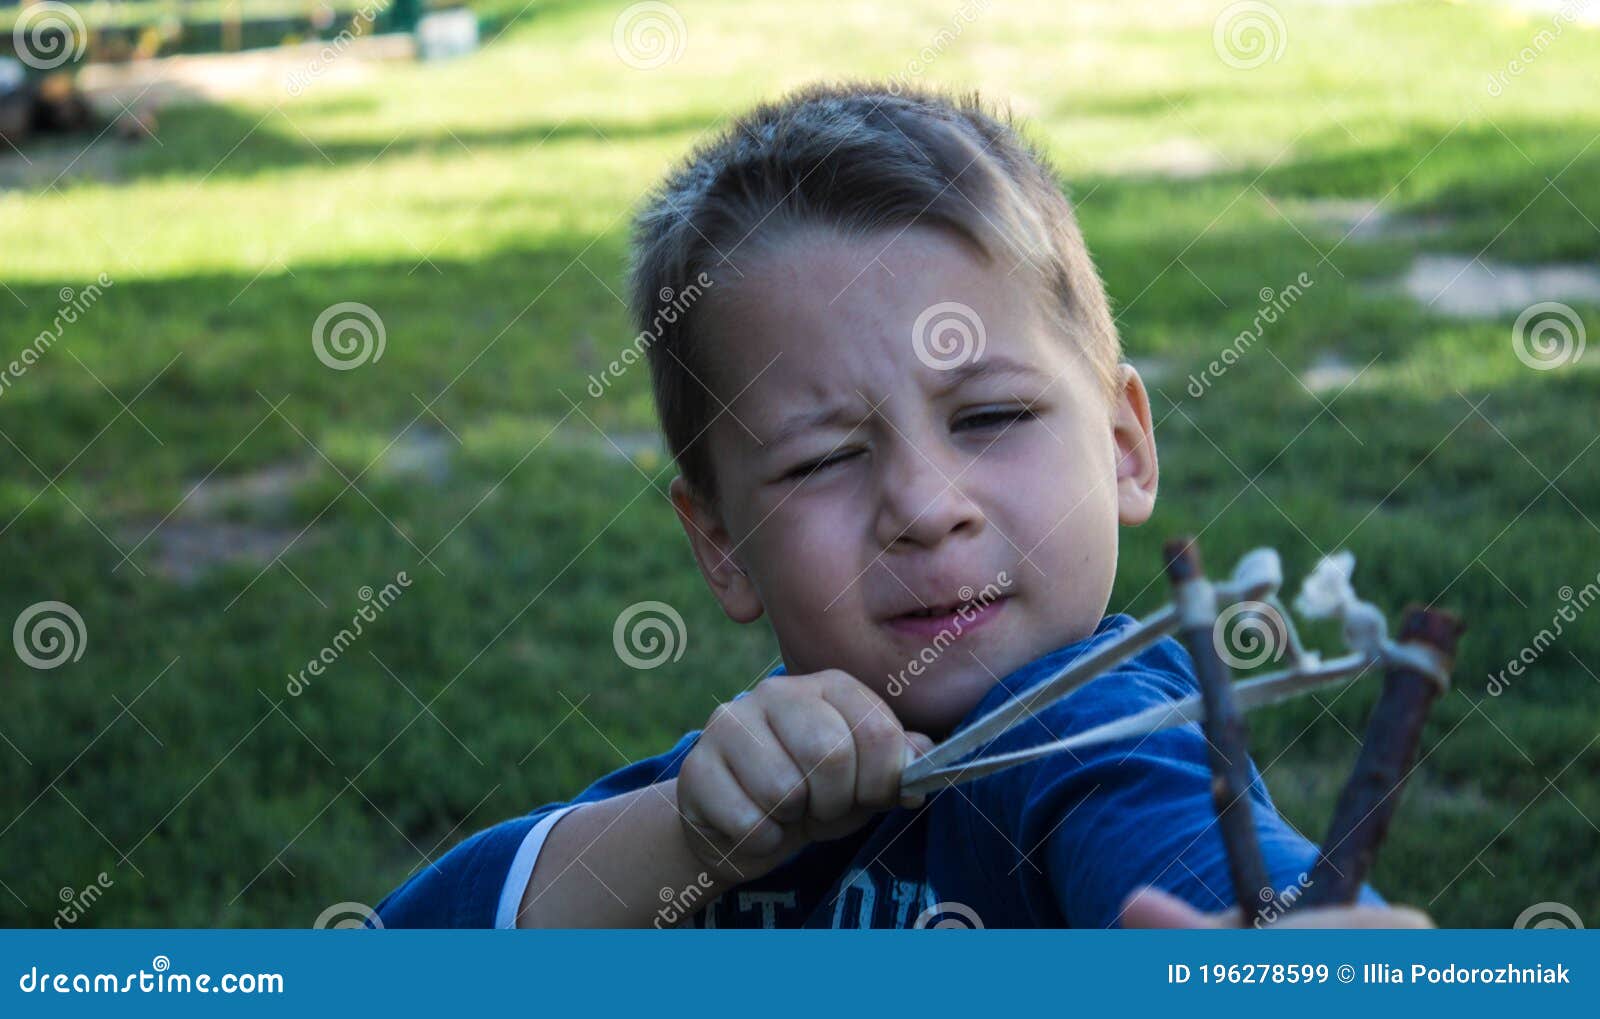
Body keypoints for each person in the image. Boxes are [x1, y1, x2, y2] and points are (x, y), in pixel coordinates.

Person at [376, 81, 1433, 930]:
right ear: (721, 544)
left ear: (1122, 447)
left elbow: (1191, 862)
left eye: (992, 416)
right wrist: (694, 837)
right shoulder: (743, 789)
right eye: (824, 457)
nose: (926, 508)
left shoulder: (1103, 736)